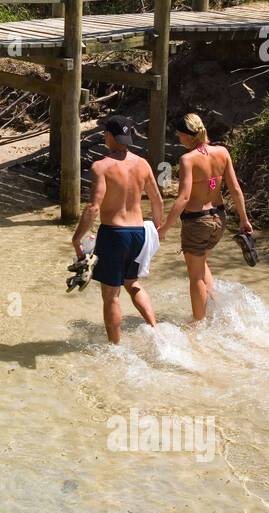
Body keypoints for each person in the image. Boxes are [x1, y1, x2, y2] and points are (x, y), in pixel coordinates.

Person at [72, 116, 165, 344]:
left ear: (109, 135)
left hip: (114, 235)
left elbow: (93, 207)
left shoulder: (101, 167)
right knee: (132, 283)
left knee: (111, 296)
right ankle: (156, 331)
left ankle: (115, 347)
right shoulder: (142, 164)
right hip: (139, 234)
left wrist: (77, 238)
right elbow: (158, 200)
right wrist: (158, 229)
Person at [156, 113, 252, 321]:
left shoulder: (188, 159)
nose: (179, 140)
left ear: (187, 136)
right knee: (201, 263)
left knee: (195, 277)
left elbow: (183, 198)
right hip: (220, 219)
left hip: (197, 222)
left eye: (180, 136)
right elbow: (235, 189)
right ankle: (214, 309)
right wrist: (244, 219)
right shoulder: (223, 152)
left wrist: (164, 227)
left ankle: (198, 324)